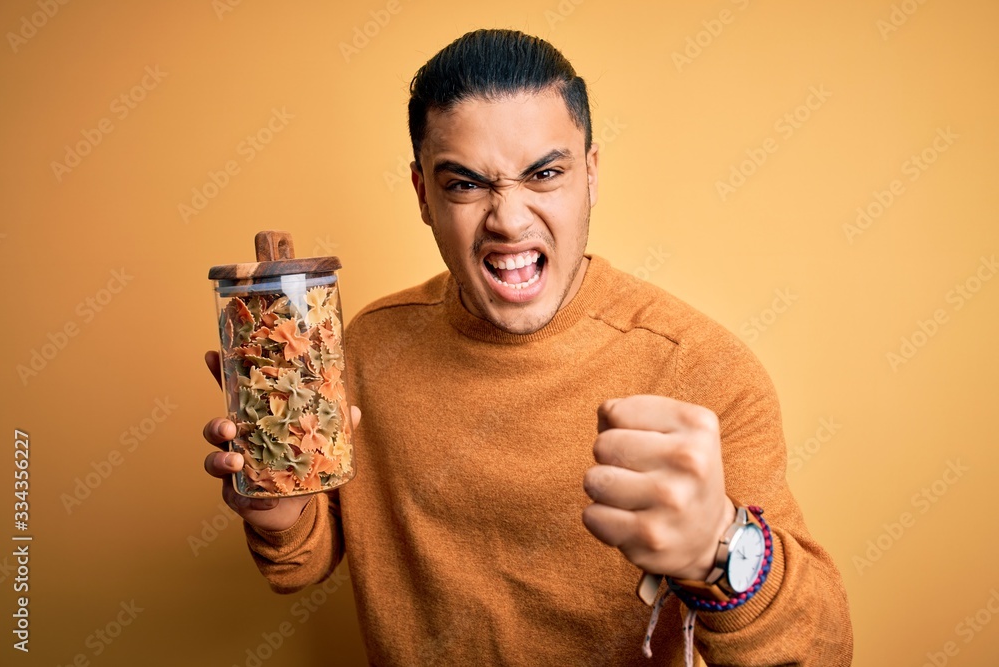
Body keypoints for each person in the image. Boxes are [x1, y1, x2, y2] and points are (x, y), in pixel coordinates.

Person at [203, 28, 852, 666]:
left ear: (591, 174)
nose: (508, 219)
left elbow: (821, 653)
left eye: (544, 174)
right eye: (464, 184)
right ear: (423, 194)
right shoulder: (372, 345)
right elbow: (303, 562)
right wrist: (278, 505)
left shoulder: (701, 369)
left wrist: (722, 543)